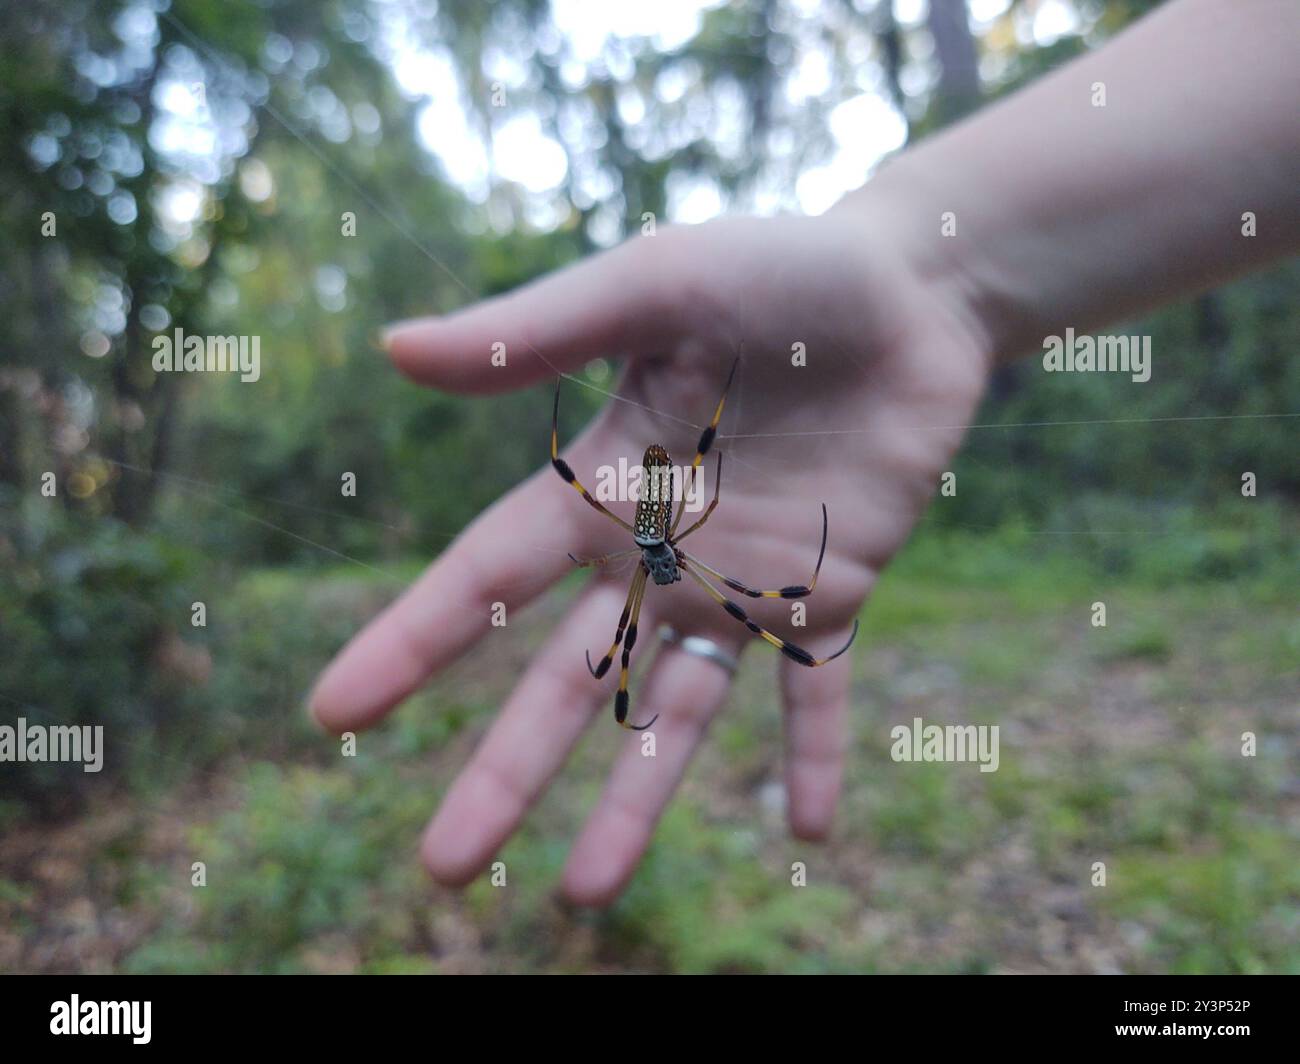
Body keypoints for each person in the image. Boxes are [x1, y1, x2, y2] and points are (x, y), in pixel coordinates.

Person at [309, 0, 1299, 906]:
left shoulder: (675, 529)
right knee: (645, 635)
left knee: (722, 604)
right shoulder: (664, 534)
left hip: (666, 508)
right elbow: (623, 504)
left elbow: (695, 524)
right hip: (660, 511)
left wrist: (927, 269)